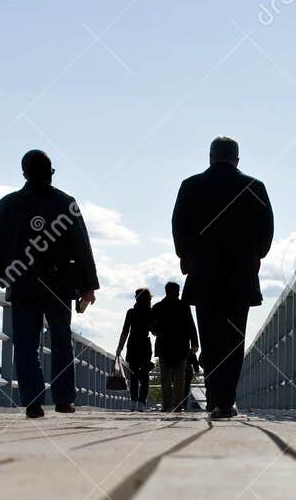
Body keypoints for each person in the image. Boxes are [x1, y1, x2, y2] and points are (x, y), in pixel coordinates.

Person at [0, 150, 99, 418]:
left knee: (25, 345)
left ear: (24, 173)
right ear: (51, 172)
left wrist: (6, 276)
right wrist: (88, 285)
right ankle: (63, 400)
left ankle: (33, 401)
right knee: (61, 342)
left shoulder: (8, 204)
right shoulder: (65, 203)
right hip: (59, 285)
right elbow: (81, 246)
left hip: (23, 285)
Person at [171, 136, 273, 419]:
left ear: (210, 157)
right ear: (237, 160)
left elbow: (178, 225)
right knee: (233, 338)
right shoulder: (254, 187)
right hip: (241, 275)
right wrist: (257, 255)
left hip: (204, 273)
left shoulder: (191, 186)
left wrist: (186, 255)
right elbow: (267, 231)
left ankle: (216, 397)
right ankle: (227, 400)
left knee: (211, 336)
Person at [151, 280, 199, 413]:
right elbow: (191, 325)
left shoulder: (157, 307)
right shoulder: (184, 306)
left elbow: (152, 328)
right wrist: (195, 343)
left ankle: (167, 404)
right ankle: (178, 404)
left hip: (164, 347)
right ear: (177, 292)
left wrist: (159, 330)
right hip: (181, 346)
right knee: (180, 377)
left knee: (165, 377)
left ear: (166, 291)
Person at [115, 287, 154, 411]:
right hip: (145, 344)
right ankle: (142, 402)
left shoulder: (131, 312)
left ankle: (133, 400)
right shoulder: (150, 312)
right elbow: (154, 331)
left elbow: (125, 331)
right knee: (144, 375)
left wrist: (119, 348)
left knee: (133, 375)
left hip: (132, 344)